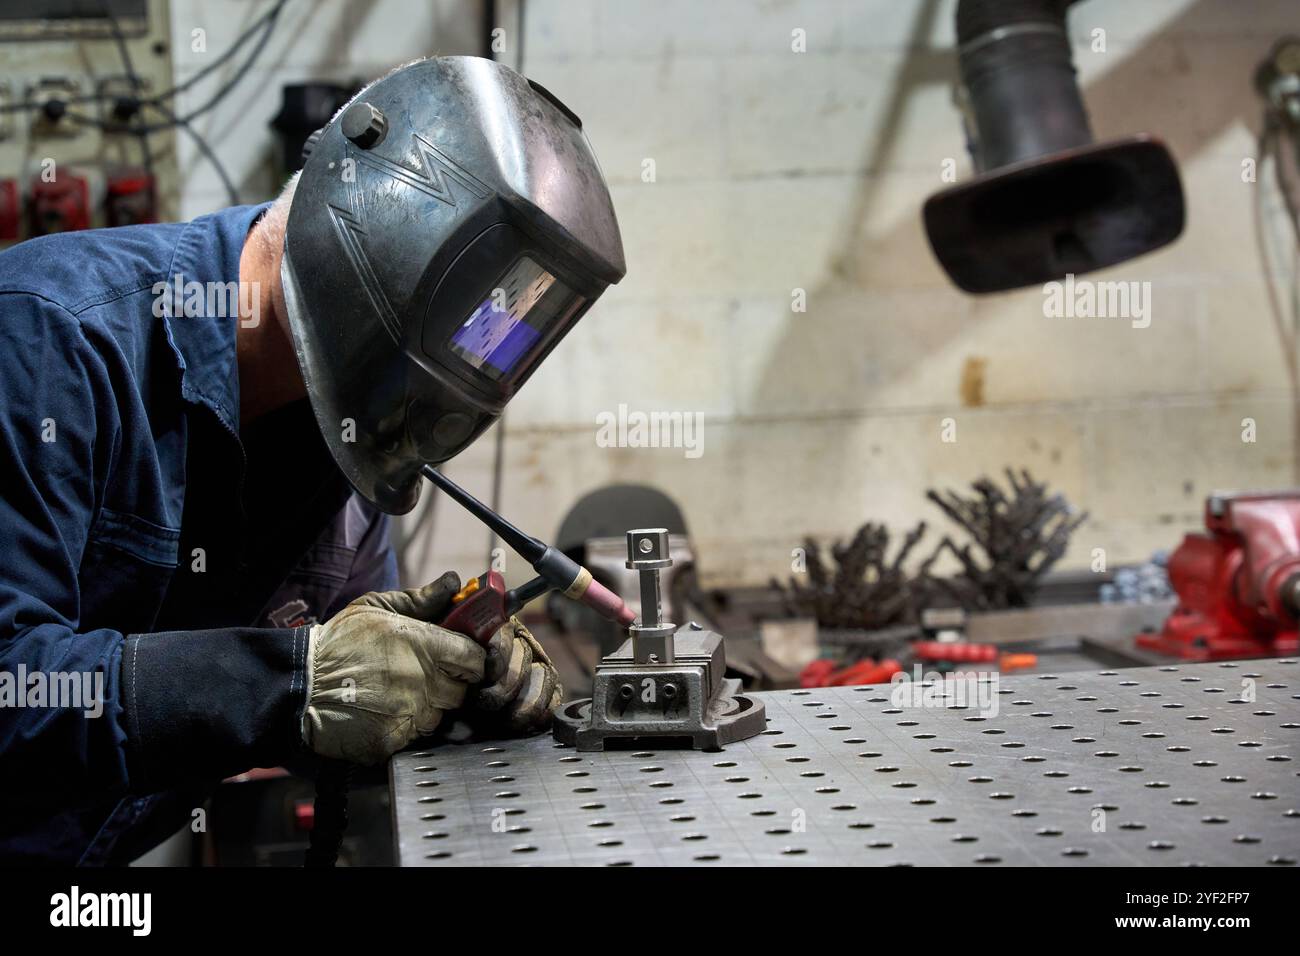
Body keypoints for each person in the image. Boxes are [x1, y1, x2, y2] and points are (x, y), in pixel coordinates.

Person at [0, 56, 625, 864]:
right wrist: (287, 682)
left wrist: (447, 685)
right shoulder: (50, 341)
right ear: (383, 221)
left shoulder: (353, 449)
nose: (483, 348)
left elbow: (330, 704)